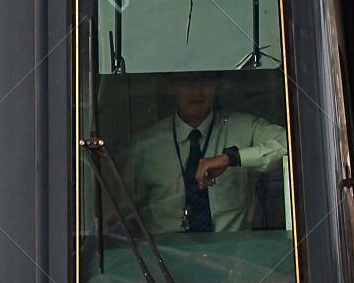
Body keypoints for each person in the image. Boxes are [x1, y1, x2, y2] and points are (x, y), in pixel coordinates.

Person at [123, 71, 287, 234]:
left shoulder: (244, 129)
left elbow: (291, 144)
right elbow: (122, 215)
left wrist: (233, 158)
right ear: (170, 86)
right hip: (165, 255)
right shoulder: (147, 146)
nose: (196, 91)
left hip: (233, 254)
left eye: (205, 81)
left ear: (218, 85)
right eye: (186, 82)